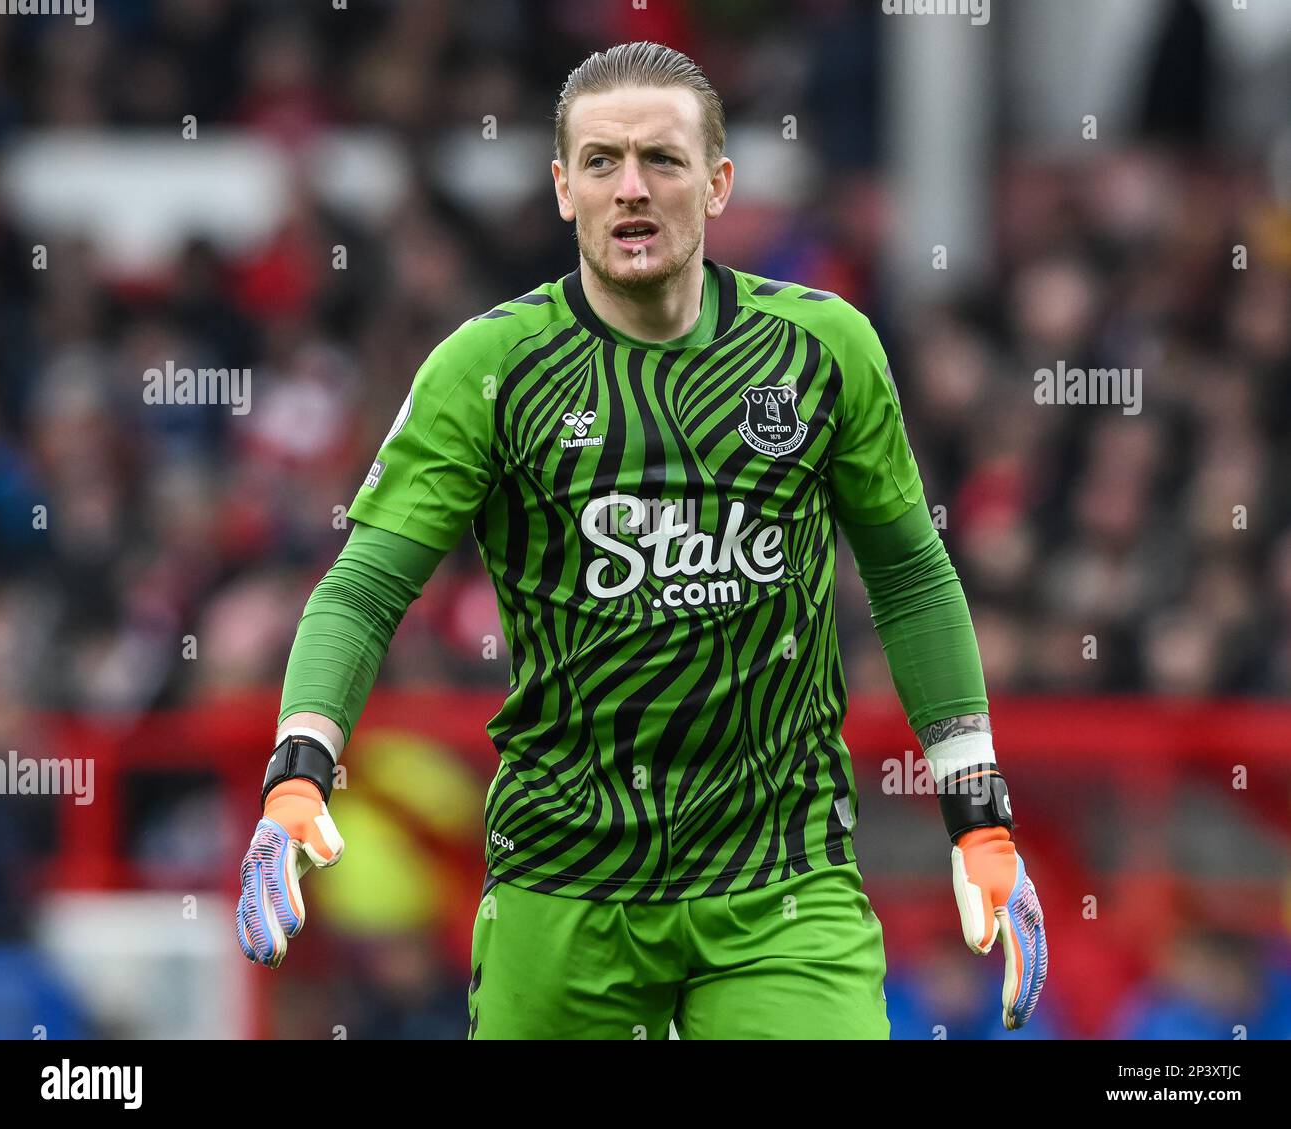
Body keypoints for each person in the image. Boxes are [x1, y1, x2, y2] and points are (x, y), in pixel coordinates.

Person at [236, 40, 1046, 1040]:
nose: (631, 188)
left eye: (661, 160)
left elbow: (910, 576)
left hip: (778, 881)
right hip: (563, 878)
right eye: (601, 161)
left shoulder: (823, 349)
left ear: (717, 183)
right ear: (562, 189)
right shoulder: (489, 367)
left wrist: (978, 809)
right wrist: (300, 763)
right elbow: (363, 589)